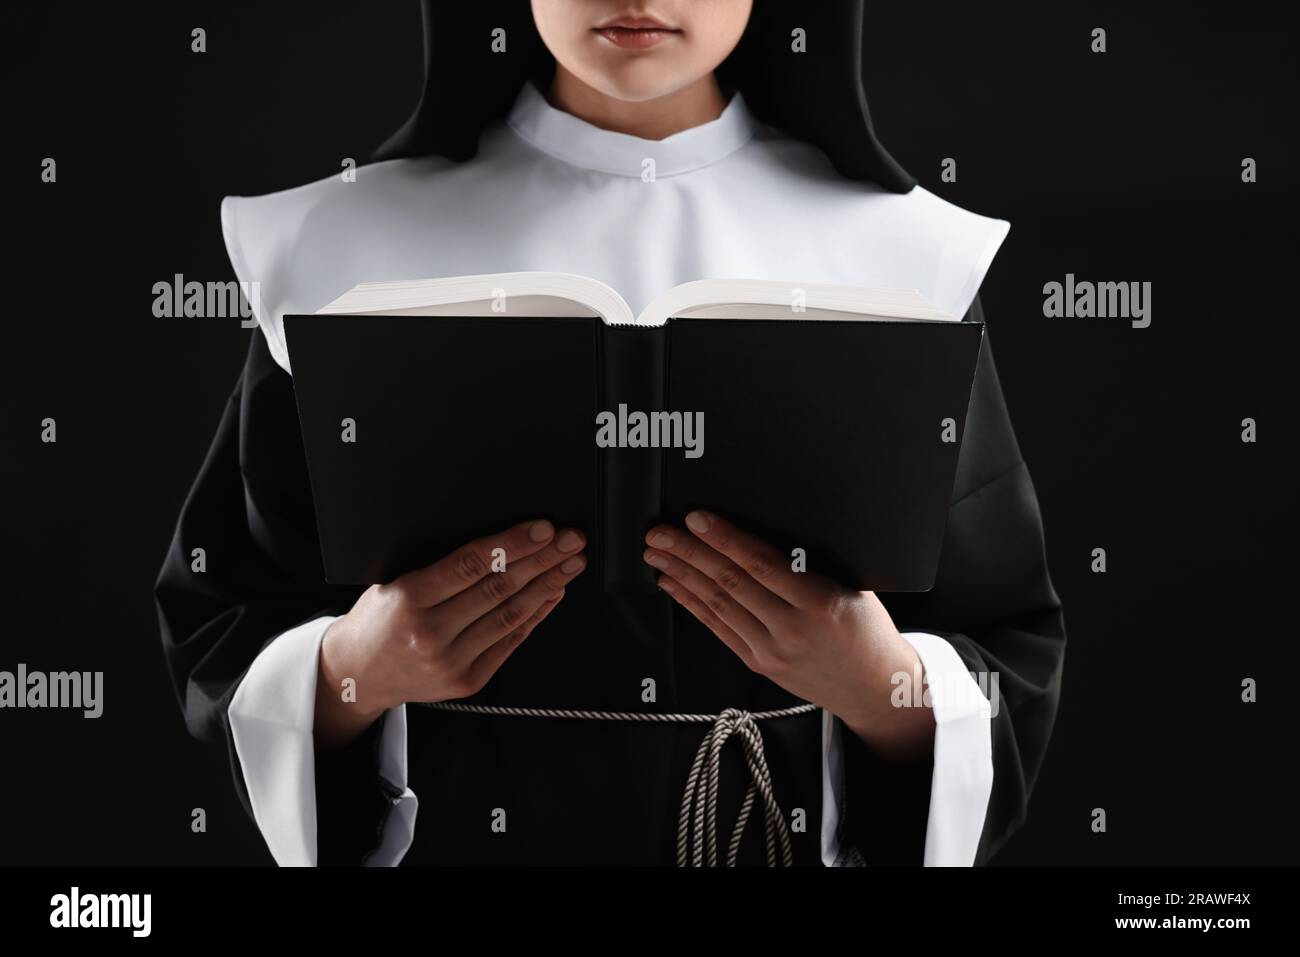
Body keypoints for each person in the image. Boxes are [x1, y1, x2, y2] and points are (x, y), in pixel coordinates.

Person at [157, 0, 1066, 866]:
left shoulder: (901, 260)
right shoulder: (337, 246)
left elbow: (1006, 643)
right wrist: (358, 666)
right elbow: (224, 616)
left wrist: (880, 683)